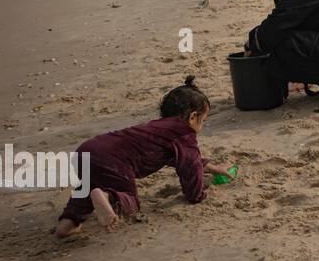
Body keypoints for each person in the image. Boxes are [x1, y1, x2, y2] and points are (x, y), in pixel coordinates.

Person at [54, 77, 231, 237]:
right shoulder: (184, 133)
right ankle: (106, 197)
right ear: (193, 117)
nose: (202, 125)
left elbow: (172, 156)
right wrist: (197, 195)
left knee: (85, 189)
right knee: (130, 201)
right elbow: (189, 167)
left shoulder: (158, 128)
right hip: (114, 160)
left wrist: (209, 166)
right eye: (204, 120)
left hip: (86, 151)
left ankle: (67, 225)